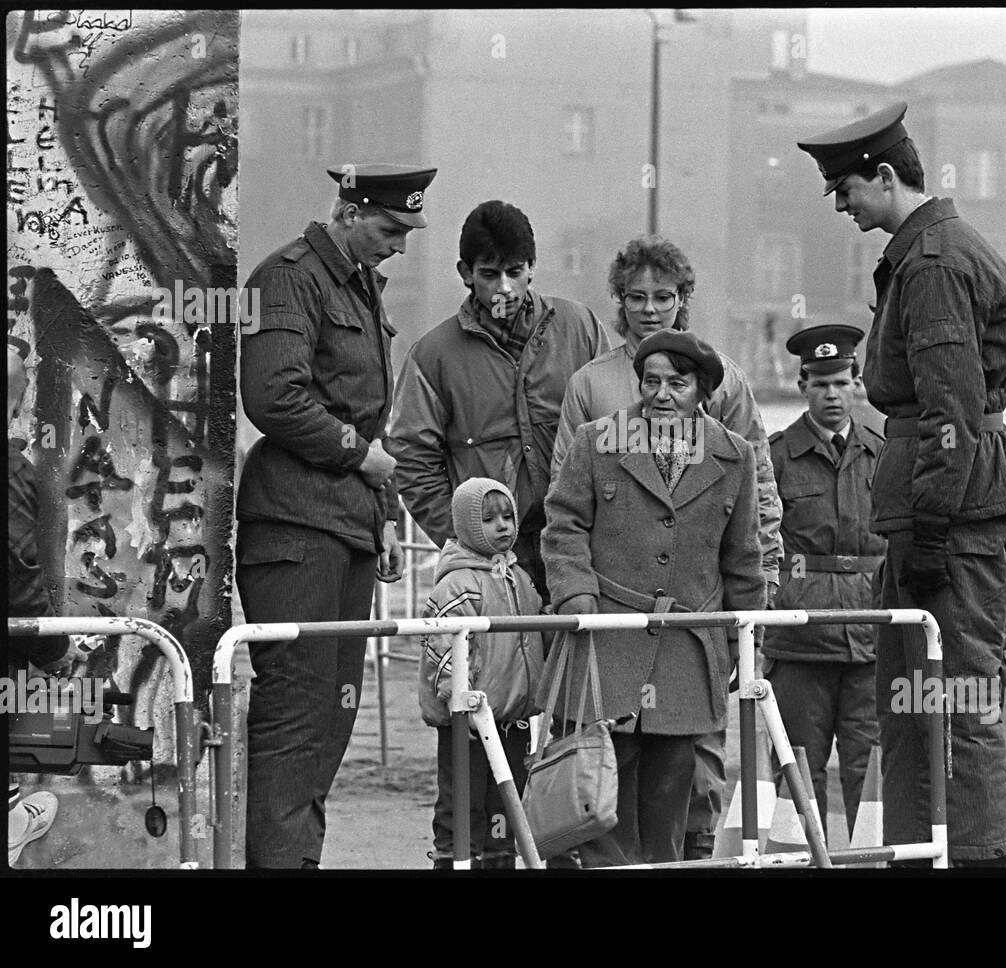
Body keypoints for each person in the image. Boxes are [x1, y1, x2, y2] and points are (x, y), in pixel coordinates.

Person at [797, 102, 1006, 867]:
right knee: (906, 707)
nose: (841, 204)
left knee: (958, 704)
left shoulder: (933, 264)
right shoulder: (922, 254)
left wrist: (933, 527)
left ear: (883, 175)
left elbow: (951, 413)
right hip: (938, 511)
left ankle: (971, 858)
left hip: (956, 515)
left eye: (846, 188)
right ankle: (915, 853)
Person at [552, 234, 783, 860]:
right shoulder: (597, 441)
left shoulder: (731, 457)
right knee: (603, 798)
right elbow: (562, 522)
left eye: (676, 382)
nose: (660, 393)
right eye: (650, 380)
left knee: (671, 800)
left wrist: (746, 634)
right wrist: (578, 599)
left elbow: (744, 556)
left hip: (689, 646)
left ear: (702, 390)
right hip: (608, 638)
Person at [236, 162, 434, 868]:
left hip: (344, 526)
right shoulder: (288, 278)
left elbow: (369, 418)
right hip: (294, 529)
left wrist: (380, 513)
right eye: (389, 229)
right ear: (349, 212)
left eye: (408, 232)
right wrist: (360, 462)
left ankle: (299, 861)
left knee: (333, 715)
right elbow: (274, 398)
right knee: (296, 714)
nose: (399, 245)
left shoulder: (357, 287)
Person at [389, 201, 610, 602]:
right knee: (498, 665)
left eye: (515, 271)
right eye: (489, 274)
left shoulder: (581, 328)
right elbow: (411, 458)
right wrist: (466, 537)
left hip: (581, 548)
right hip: (489, 565)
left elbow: (613, 434)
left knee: (579, 663)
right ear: (466, 274)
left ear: (532, 267)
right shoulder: (433, 356)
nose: (504, 287)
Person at [763, 324, 885, 837]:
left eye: (841, 382)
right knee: (798, 771)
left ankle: (871, 860)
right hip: (801, 640)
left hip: (870, 638)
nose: (832, 394)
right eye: (819, 384)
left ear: (857, 384)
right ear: (802, 388)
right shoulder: (775, 457)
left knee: (871, 772)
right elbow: (758, 544)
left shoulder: (883, 455)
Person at [7, 341, 102, 864]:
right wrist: (54, 649)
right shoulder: (12, 471)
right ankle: (11, 825)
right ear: (18, 404)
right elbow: (19, 575)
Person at [419, 478, 544, 870]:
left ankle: (499, 859)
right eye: (489, 520)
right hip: (468, 720)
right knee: (461, 801)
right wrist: (460, 701)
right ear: (468, 526)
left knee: (505, 804)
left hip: (513, 717)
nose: (503, 526)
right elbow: (442, 646)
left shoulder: (520, 579)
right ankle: (452, 861)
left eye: (508, 516)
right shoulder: (458, 584)